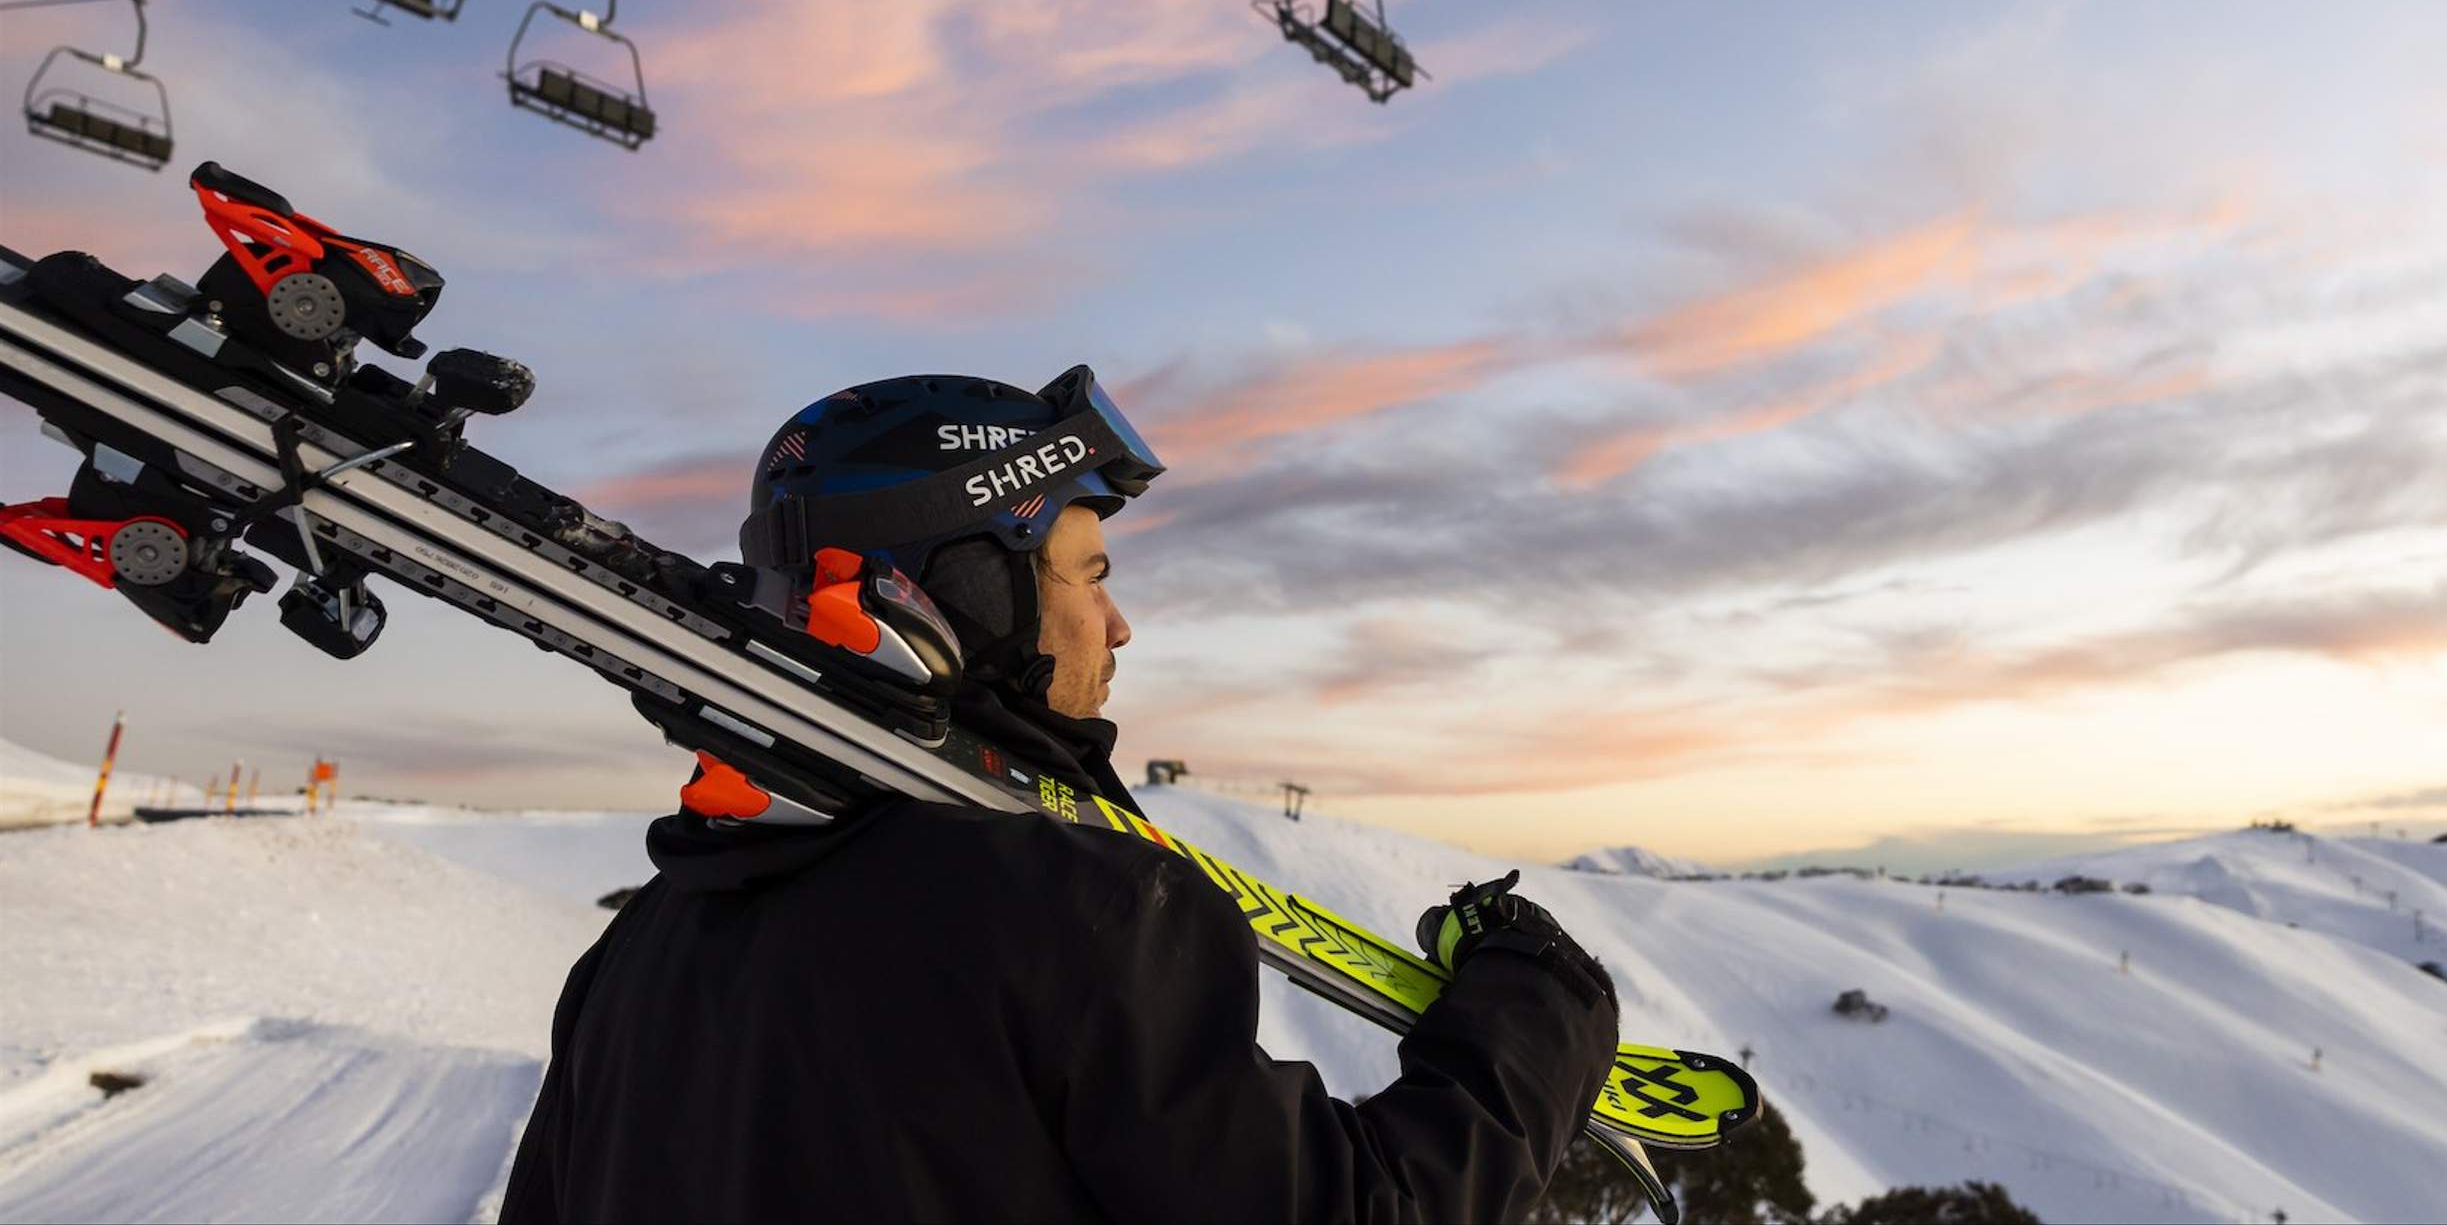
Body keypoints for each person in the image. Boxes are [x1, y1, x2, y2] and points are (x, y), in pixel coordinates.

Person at [501, 368, 1620, 1223]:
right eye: (1090, 575)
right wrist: (1537, 1016)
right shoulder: (1071, 911)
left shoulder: (639, 947)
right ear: (977, 592)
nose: (1119, 624)